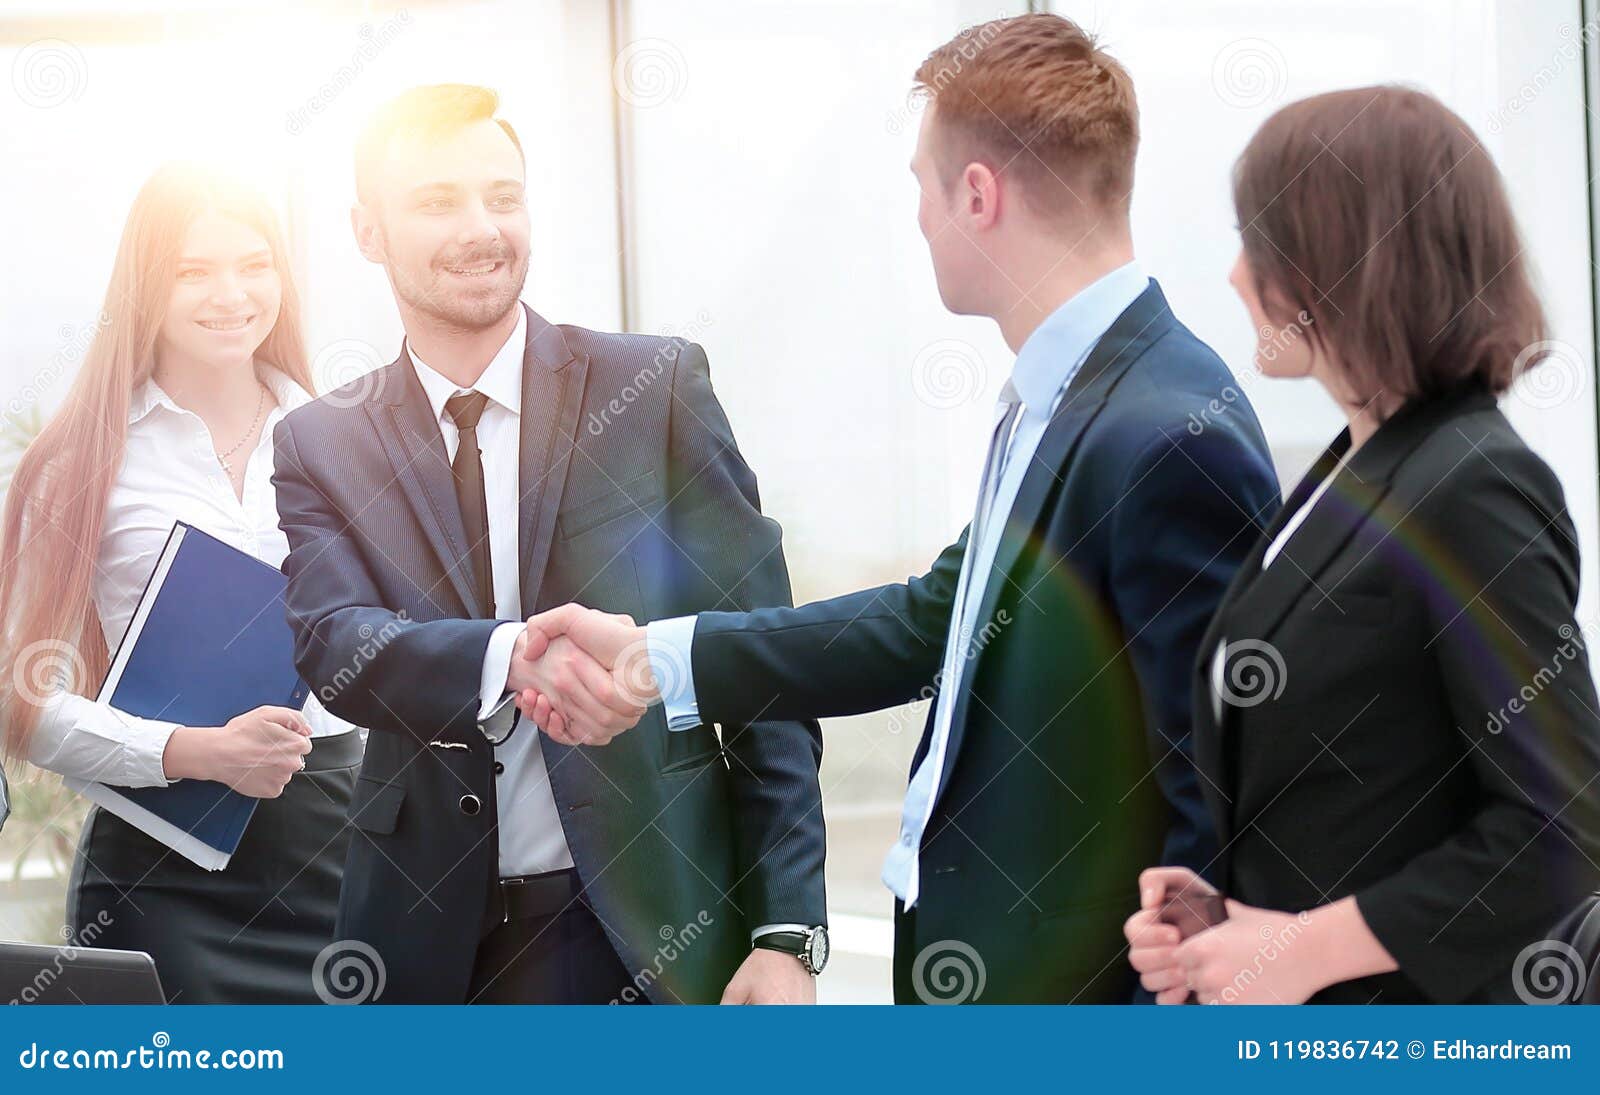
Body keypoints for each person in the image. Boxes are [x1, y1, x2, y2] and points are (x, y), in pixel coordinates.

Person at [513, 14, 1280, 1003]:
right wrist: (650, 658)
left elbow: (1214, 818)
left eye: (921, 185)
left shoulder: (1168, 431)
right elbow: (933, 622)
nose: (917, 216)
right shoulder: (1068, 402)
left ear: (977, 193)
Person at [271, 84, 827, 1004]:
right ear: (367, 231)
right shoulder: (322, 441)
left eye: (503, 195)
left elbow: (763, 661)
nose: (483, 227)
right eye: (438, 201)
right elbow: (336, 648)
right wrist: (511, 655)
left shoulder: (653, 386)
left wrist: (787, 933)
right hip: (425, 948)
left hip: (655, 929)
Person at [1121, 85, 1600, 1004]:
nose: (1232, 276)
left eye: (1257, 241)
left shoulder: (1474, 483)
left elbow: (1563, 828)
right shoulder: (1357, 469)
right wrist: (1228, 914)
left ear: (1340, 257)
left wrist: (1304, 947)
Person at [0, 163, 361, 1003]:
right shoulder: (85, 461)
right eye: (193, 270)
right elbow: (20, 701)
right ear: (146, 287)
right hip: (162, 881)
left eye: (254, 263)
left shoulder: (349, 443)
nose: (231, 293)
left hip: (344, 858)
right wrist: (197, 751)